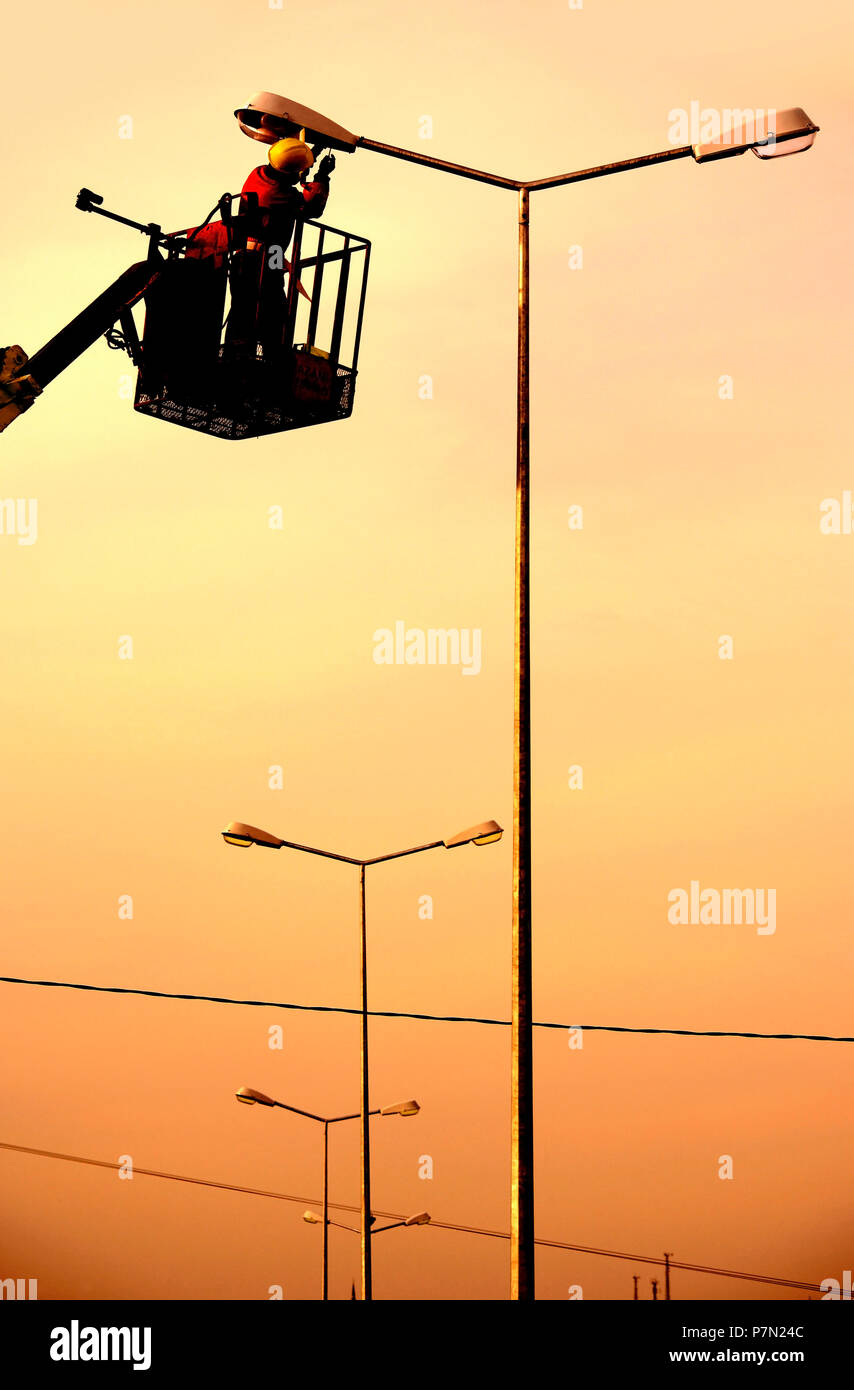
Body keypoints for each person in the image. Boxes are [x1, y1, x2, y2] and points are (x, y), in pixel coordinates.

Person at [227, 134, 336, 357]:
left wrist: (311, 153)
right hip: (266, 257)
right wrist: (322, 175)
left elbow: (288, 170)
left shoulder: (259, 173)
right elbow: (311, 207)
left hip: (250, 255)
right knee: (273, 313)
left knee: (243, 313)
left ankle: (238, 359)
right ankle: (272, 363)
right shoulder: (279, 195)